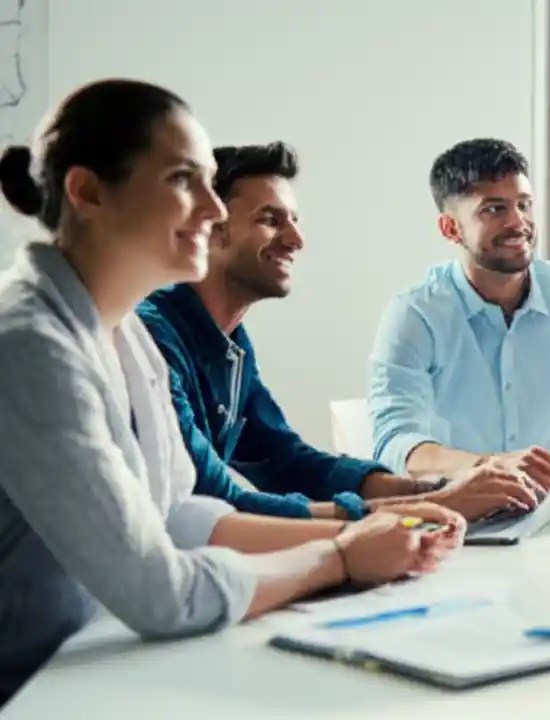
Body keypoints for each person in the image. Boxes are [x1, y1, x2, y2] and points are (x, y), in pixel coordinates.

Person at [0, 79, 462, 705]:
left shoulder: (126, 333)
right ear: (87, 191)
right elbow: (165, 595)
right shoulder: (29, 348)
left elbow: (175, 510)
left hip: (78, 666)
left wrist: (360, 532)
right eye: (182, 180)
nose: (214, 210)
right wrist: (341, 557)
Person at [137, 142, 537, 522]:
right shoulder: (154, 339)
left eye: (294, 220)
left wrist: (426, 490)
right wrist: (428, 505)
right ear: (209, 226)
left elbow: (286, 460)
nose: (296, 239)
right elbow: (219, 501)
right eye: (269, 220)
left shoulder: (231, 344)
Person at [368, 138, 550, 494]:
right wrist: (489, 465)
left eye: (524, 204)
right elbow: (396, 444)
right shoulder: (415, 314)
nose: (518, 222)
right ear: (450, 228)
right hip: (453, 513)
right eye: (494, 209)